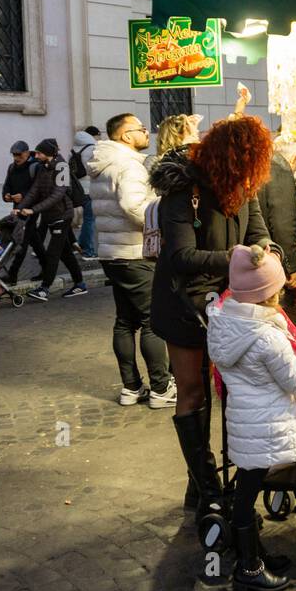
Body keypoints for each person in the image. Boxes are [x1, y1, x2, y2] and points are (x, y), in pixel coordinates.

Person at [150, 115, 273, 517]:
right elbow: (180, 256)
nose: (251, 173)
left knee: (234, 389)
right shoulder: (184, 190)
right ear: (229, 157)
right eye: (247, 162)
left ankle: (207, 482)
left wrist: (267, 252)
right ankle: (205, 488)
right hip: (183, 304)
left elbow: (258, 232)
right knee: (192, 390)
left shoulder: (245, 186)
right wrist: (237, 258)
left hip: (229, 304)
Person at [206, 244, 296, 591]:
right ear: (267, 293)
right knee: (247, 489)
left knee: (247, 487)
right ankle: (249, 568)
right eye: (278, 288)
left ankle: (253, 553)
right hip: (266, 422)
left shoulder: (224, 322)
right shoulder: (267, 336)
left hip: (244, 419)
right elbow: (295, 380)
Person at [87, 113, 177, 409]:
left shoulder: (104, 164)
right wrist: (158, 224)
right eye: (140, 129)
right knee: (153, 321)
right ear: (126, 136)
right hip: (135, 251)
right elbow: (133, 205)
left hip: (112, 253)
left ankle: (131, 387)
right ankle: (161, 388)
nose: (146, 132)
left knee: (125, 321)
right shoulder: (129, 165)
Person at [17, 138, 87, 302]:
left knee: (52, 253)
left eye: (39, 152)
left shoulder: (61, 167)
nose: (37, 155)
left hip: (62, 216)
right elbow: (34, 191)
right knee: (66, 253)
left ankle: (45, 288)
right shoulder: (42, 167)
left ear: (47, 153)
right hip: (50, 216)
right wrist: (20, 207)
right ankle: (80, 284)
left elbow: (58, 194)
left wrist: (33, 209)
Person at [259, 132, 296, 288]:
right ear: (294, 159)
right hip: (272, 257)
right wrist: (290, 267)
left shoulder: (264, 167)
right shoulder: (280, 169)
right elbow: (283, 223)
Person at [0, 140, 46, 283]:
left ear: (26, 153)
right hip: (17, 209)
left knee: (21, 241)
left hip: (30, 209)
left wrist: (23, 196)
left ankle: (13, 274)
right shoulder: (12, 168)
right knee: (34, 240)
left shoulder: (36, 167)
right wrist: (7, 196)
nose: (16, 158)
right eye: (13, 155)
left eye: (18, 155)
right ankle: (48, 268)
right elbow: (7, 186)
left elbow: (38, 189)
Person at [71, 128, 99, 259]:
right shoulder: (94, 149)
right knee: (89, 220)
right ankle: (88, 251)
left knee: (87, 220)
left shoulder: (74, 149)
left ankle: (81, 245)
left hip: (77, 190)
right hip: (89, 189)